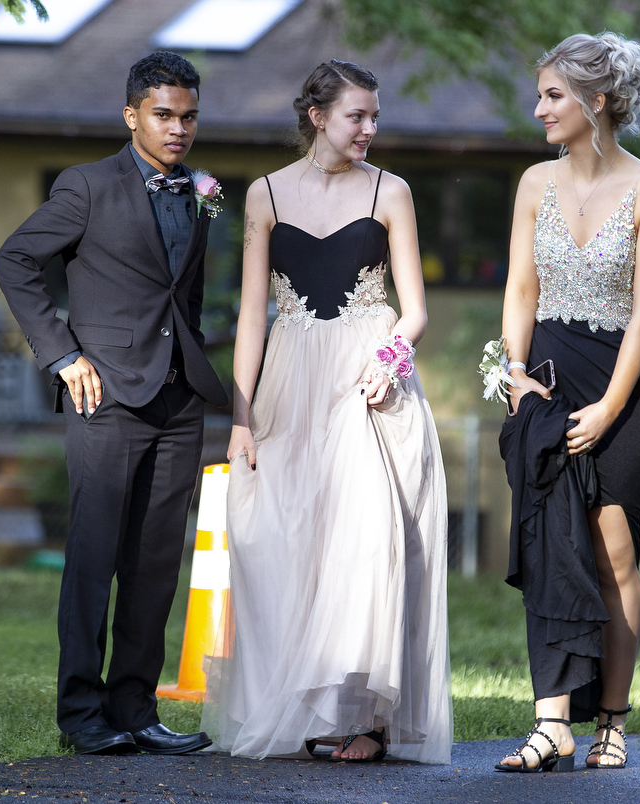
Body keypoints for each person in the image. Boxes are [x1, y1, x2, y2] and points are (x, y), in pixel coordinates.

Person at [201, 60, 451, 764]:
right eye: (358, 116)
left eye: (375, 117)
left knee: (367, 540)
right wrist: (241, 415)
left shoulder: (391, 192)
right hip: (287, 377)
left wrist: (389, 363)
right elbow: (252, 314)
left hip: (367, 377)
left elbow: (416, 311)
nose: (371, 129)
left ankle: (367, 717)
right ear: (317, 115)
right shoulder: (265, 195)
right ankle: (299, 705)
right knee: (283, 536)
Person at [0, 52, 228, 755]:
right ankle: (81, 714)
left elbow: (178, 293)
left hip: (180, 397)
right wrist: (63, 355)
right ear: (132, 116)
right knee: (94, 558)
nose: (178, 128)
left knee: (156, 561)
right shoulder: (85, 187)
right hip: (106, 398)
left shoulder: (203, 191)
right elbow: (16, 260)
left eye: (188, 116)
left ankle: (135, 708)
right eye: (163, 115)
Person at [495, 32, 640, 773]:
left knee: (611, 556)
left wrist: (607, 409)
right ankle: (552, 723)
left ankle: (612, 719)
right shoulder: (533, 185)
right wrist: (512, 372)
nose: (538, 109)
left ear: (596, 101)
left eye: (552, 95)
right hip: (543, 384)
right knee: (547, 553)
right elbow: (519, 289)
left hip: (623, 390)